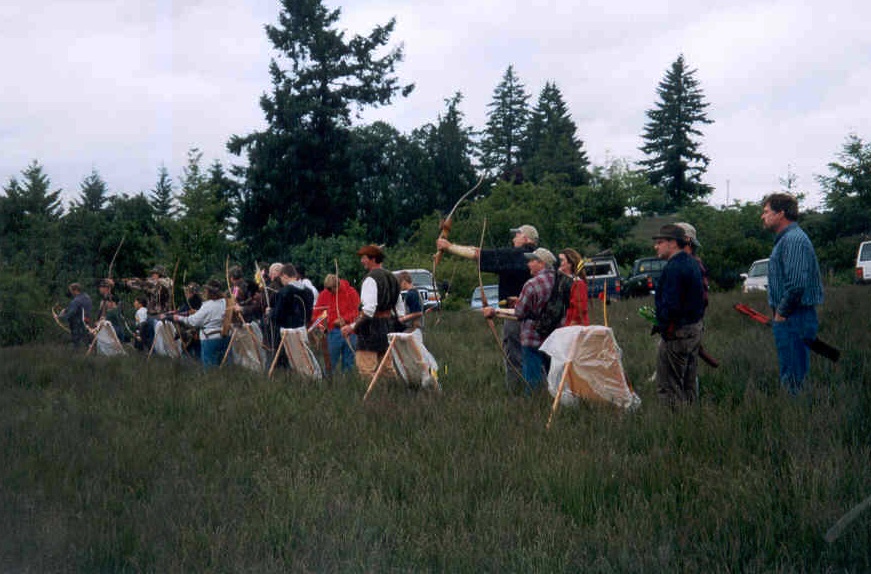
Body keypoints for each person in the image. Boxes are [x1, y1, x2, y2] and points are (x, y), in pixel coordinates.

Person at [437, 224, 538, 394]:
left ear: (527, 239)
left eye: (518, 234)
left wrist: (449, 247)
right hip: (537, 318)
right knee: (533, 356)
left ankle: (518, 393)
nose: (514, 238)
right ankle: (535, 392)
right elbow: (481, 252)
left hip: (516, 317)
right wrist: (452, 247)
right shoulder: (536, 257)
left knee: (515, 356)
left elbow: (481, 255)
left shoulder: (519, 256)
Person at [761, 193, 824, 395]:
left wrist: (781, 313)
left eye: (766, 212)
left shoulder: (793, 240)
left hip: (794, 317)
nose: (763, 216)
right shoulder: (787, 239)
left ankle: (798, 413)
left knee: (793, 379)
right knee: (791, 373)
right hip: (792, 317)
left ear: (780, 214)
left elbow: (796, 284)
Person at [652, 224, 705, 405]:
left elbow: (671, 305)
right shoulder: (691, 262)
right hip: (692, 330)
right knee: (688, 384)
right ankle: (690, 417)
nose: (656, 246)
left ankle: (676, 419)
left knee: (669, 386)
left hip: (677, 334)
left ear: (673, 243)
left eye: (660, 242)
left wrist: (663, 325)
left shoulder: (674, 267)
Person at [340, 244, 406, 378]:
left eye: (364, 258)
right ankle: (392, 390)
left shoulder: (370, 279)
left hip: (370, 331)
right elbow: (400, 309)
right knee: (387, 369)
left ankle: (372, 393)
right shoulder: (393, 278)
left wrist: (352, 327)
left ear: (373, 259)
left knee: (366, 369)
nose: (362, 261)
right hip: (388, 328)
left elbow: (369, 310)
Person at [170, 279, 229, 368]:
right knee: (222, 366)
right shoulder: (225, 302)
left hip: (209, 339)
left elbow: (193, 322)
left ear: (210, 292)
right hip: (224, 338)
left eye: (206, 290)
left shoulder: (207, 305)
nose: (205, 292)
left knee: (209, 368)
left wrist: (178, 318)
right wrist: (197, 312)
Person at [314, 273, 360, 373]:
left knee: (348, 363)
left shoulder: (351, 292)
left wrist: (345, 319)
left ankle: (347, 381)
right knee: (330, 363)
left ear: (337, 285)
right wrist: (323, 327)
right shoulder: (324, 294)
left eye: (332, 289)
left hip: (350, 331)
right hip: (332, 332)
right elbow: (317, 314)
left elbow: (356, 312)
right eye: (328, 289)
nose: (330, 291)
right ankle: (328, 381)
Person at [270, 263, 314, 331]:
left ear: (284, 276)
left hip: (287, 331)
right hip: (303, 329)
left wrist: (270, 312)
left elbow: (278, 315)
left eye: (281, 279)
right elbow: (309, 313)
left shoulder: (284, 292)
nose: (282, 282)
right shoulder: (309, 291)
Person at [558, 248, 589, 327]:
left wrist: (572, 325)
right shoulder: (561, 280)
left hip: (575, 326)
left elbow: (580, 308)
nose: (559, 263)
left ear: (570, 263)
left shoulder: (578, 283)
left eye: (561, 260)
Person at [59, 282, 93, 348]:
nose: (71, 292)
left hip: (77, 324)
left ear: (76, 290)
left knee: (77, 342)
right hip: (87, 322)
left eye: (71, 290)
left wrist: (60, 317)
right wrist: (66, 309)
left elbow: (71, 313)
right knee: (87, 340)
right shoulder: (87, 297)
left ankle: (78, 352)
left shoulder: (76, 300)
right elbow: (79, 307)